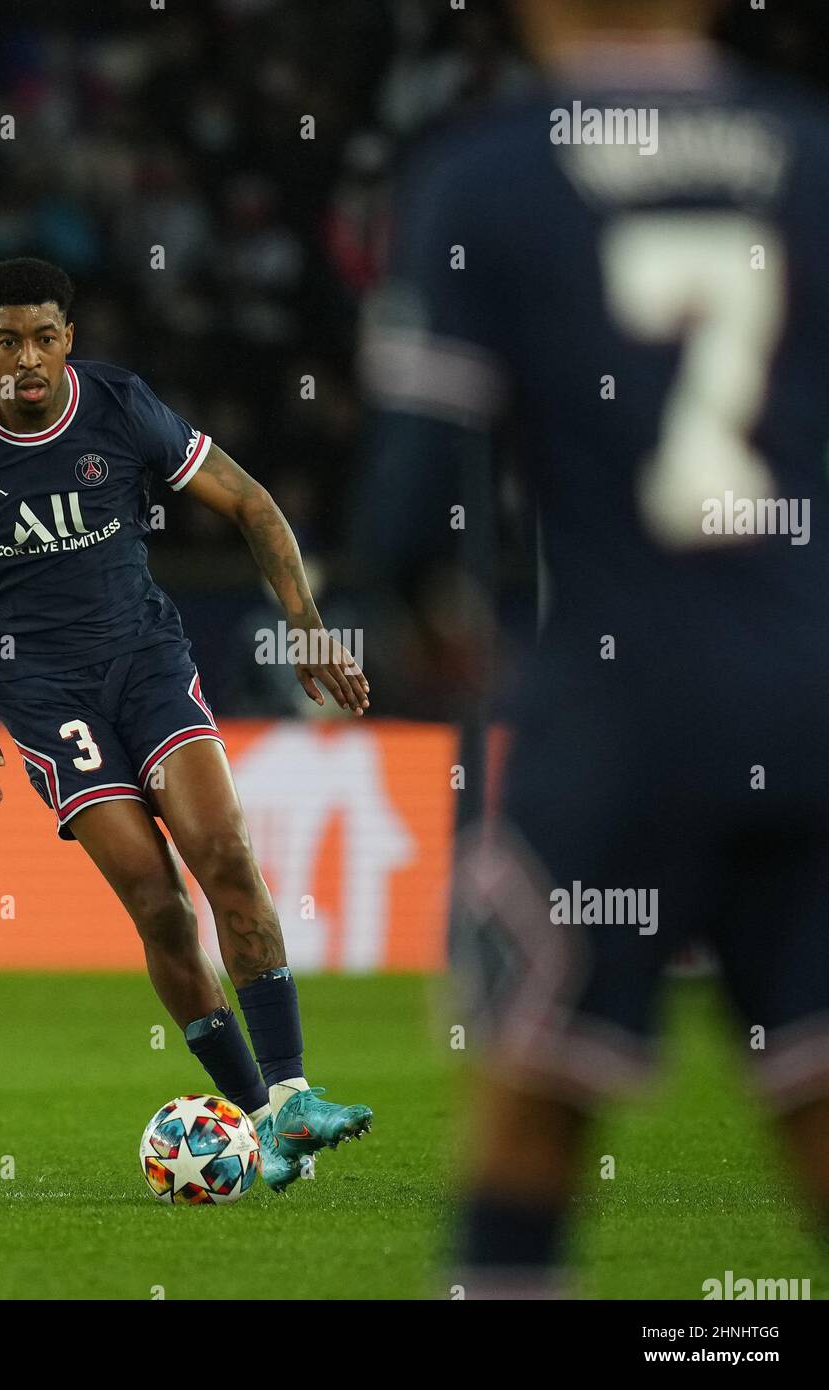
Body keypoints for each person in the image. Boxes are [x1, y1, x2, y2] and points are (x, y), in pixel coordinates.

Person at [364, 0, 829, 1292]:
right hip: (811, 691)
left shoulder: (488, 171)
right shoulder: (810, 149)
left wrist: (432, 631)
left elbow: (412, 502)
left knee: (532, 1104)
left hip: (625, 711)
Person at [0, 257, 372, 1196]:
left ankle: (292, 1096)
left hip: (145, 662)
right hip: (39, 691)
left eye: (44, 337)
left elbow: (250, 501)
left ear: (68, 337)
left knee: (223, 853)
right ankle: (257, 1123)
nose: (27, 359)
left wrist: (307, 627)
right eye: (7, 341)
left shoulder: (121, 407)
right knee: (157, 904)